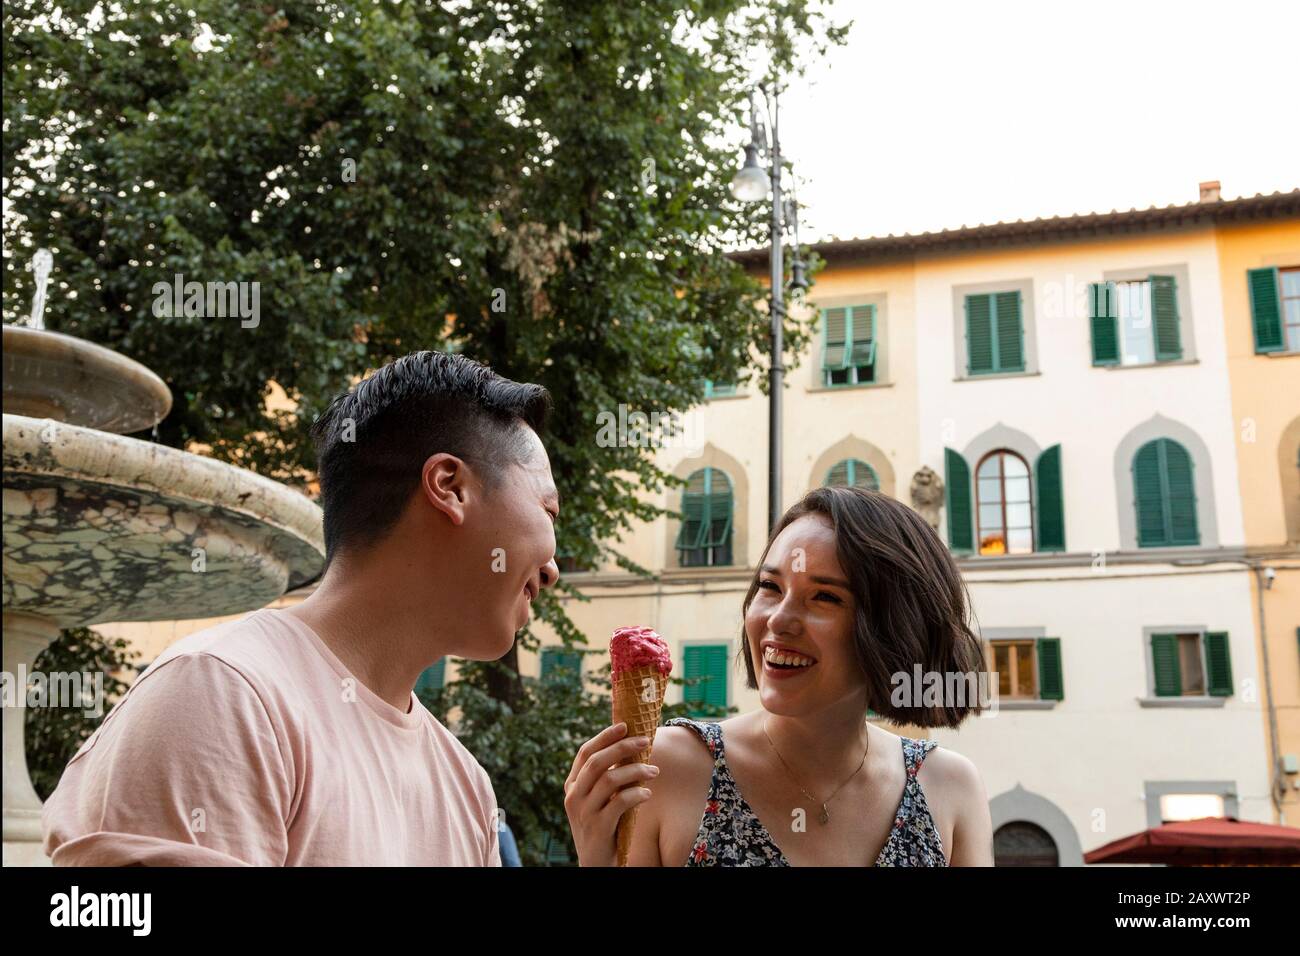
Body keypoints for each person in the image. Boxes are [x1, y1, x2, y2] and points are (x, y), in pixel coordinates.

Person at [42, 351, 561, 865]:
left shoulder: (465, 785)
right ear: (450, 486)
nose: (552, 568)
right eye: (548, 510)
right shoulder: (223, 694)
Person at [565, 486, 994, 866]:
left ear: (893, 626)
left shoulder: (950, 787)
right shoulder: (667, 768)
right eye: (770, 587)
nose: (779, 620)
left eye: (824, 597)